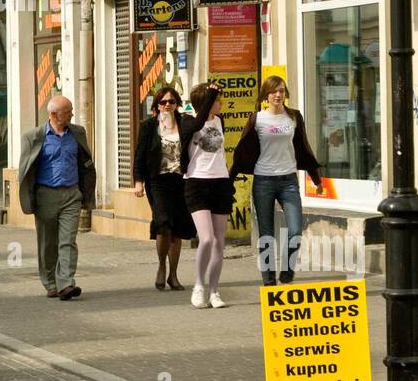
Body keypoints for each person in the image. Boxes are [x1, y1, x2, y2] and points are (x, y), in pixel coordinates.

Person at [232, 76, 322, 286]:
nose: (278, 95)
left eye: (281, 91)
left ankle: (287, 272)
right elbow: (242, 151)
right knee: (266, 234)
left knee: (295, 231)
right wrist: (230, 179)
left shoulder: (294, 117)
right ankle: (269, 281)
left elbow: (304, 148)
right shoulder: (257, 119)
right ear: (266, 95)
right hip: (263, 180)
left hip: (288, 180)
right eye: (273, 91)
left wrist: (316, 179)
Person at [16, 95, 97, 301]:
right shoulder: (33, 137)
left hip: (72, 194)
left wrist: (86, 193)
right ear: (53, 114)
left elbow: (85, 162)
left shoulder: (77, 133)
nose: (71, 114)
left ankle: (66, 283)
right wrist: (30, 198)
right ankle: (50, 282)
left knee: (68, 241)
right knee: (47, 243)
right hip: (46, 195)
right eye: (67, 112)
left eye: (71, 110)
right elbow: (25, 171)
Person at [132, 85, 196, 291]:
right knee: (163, 224)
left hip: (181, 181)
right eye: (163, 102)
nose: (167, 105)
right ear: (157, 105)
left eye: (171, 101)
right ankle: (161, 266)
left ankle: (174, 274)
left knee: (176, 228)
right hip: (157, 181)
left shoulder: (185, 123)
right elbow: (140, 154)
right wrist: (138, 181)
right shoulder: (149, 126)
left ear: (177, 104)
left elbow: (202, 122)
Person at [180, 83, 232, 310]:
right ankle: (199, 286)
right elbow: (198, 123)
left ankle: (214, 291)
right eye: (217, 99)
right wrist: (210, 94)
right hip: (197, 182)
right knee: (207, 239)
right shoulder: (187, 120)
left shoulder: (220, 121)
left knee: (220, 242)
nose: (221, 103)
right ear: (208, 101)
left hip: (220, 182)